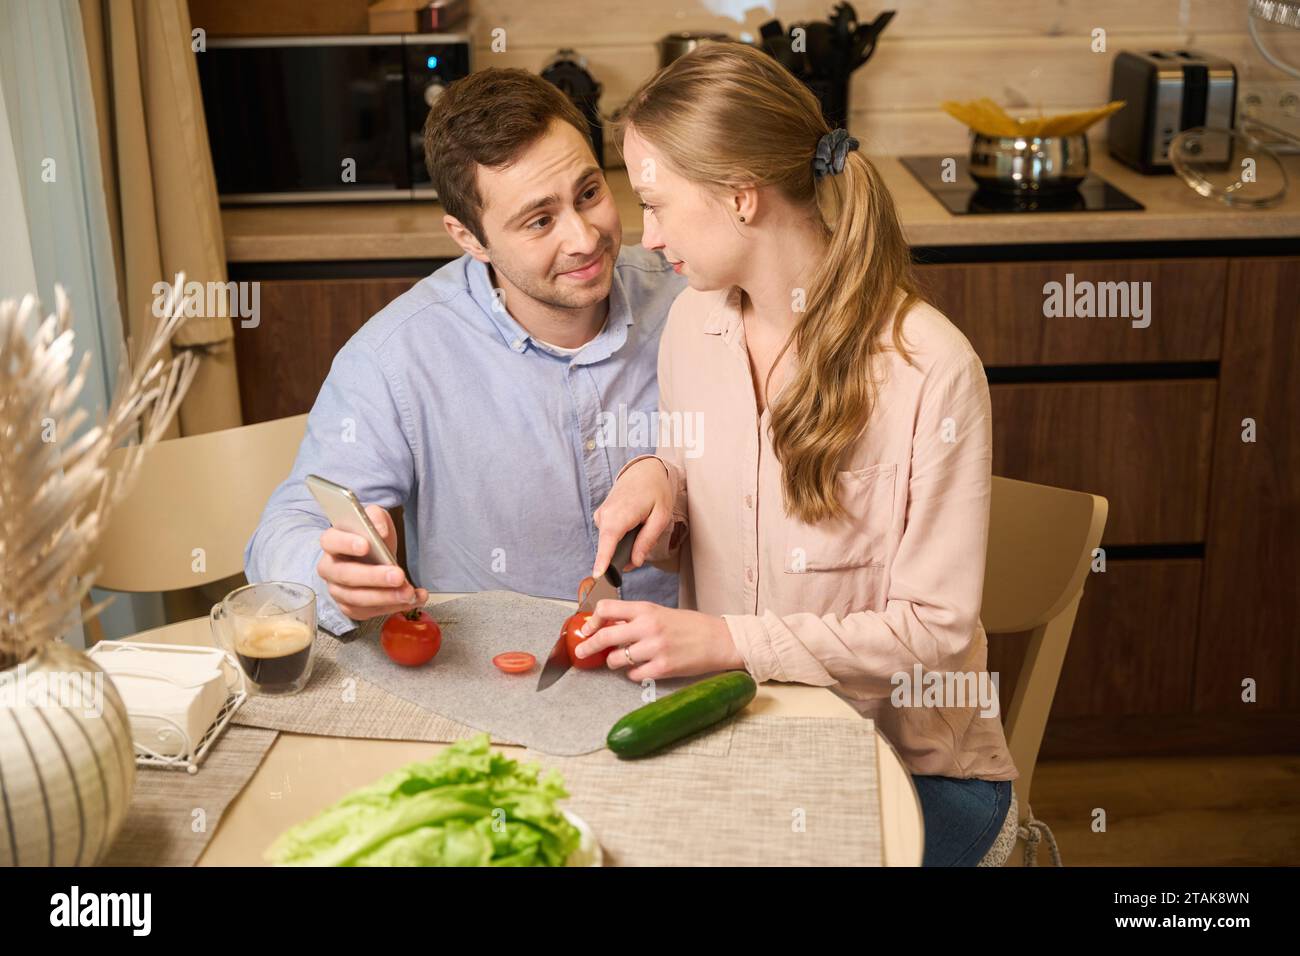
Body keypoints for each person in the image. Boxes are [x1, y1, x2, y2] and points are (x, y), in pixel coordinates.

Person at [574, 42, 1018, 866]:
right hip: (741, 732)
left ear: (742, 197)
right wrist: (657, 478)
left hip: (910, 769)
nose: (647, 235)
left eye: (660, 204)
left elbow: (937, 638)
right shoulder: (694, 323)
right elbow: (705, 478)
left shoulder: (930, 367)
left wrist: (731, 642)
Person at [244, 68, 687, 636]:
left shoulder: (688, 293)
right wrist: (332, 572)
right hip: (493, 675)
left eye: (589, 193)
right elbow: (285, 530)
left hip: (691, 662)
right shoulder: (396, 356)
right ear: (469, 238)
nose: (584, 238)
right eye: (540, 220)